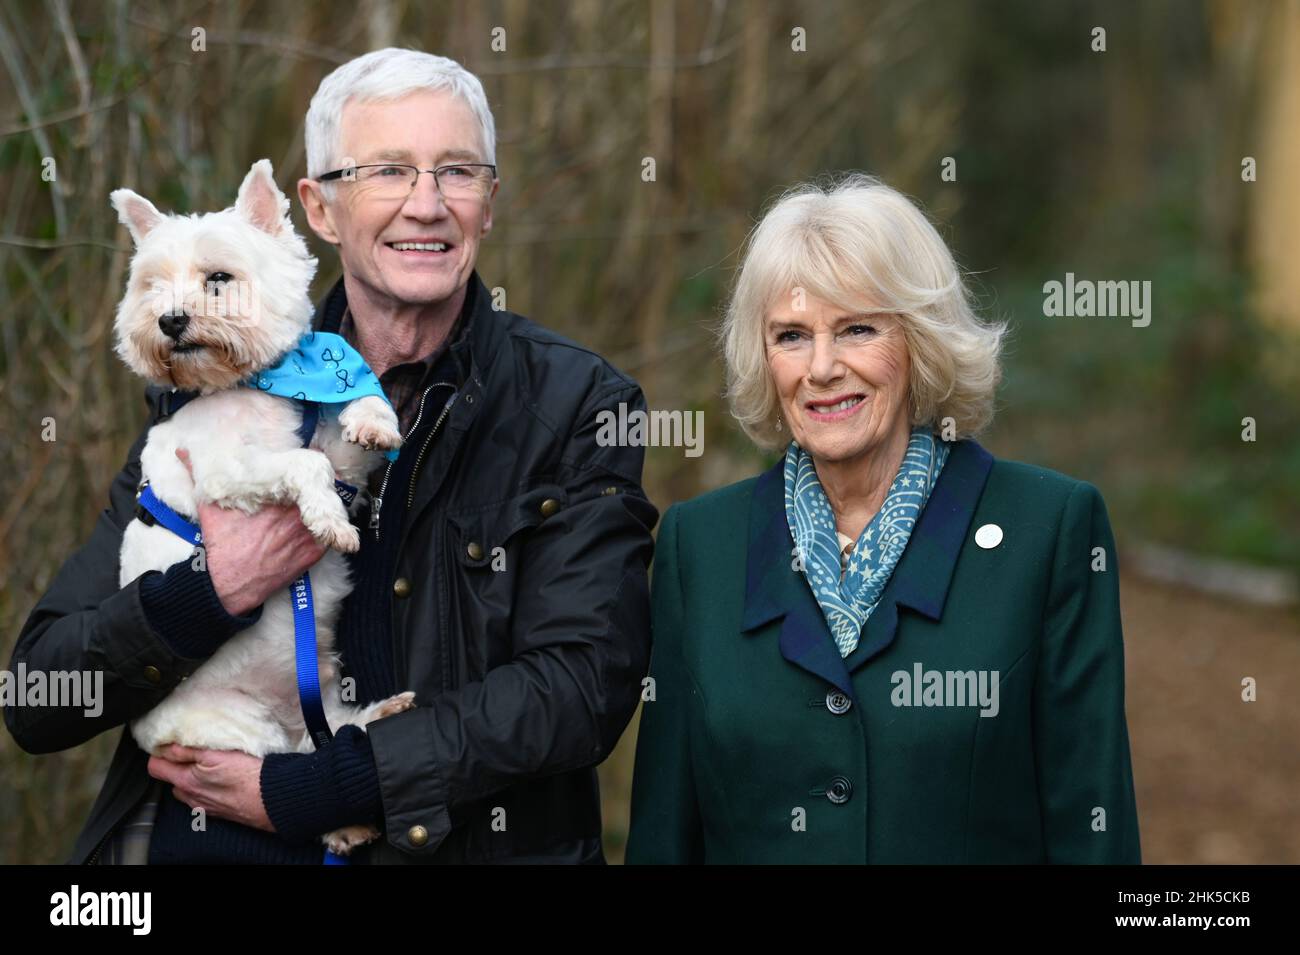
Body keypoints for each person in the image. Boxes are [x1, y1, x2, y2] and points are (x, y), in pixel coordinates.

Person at [6, 48, 658, 864]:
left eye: (456, 171)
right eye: (388, 171)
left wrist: (316, 788)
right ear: (317, 207)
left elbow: (579, 688)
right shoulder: (208, 386)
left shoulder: (576, 405)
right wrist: (212, 591)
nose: (426, 204)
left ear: (488, 203)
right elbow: (38, 695)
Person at [626, 174, 1140, 864]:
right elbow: (665, 837)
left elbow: (1093, 833)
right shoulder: (699, 548)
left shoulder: (1048, 532)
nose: (822, 367)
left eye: (857, 328)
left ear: (919, 341)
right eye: (791, 335)